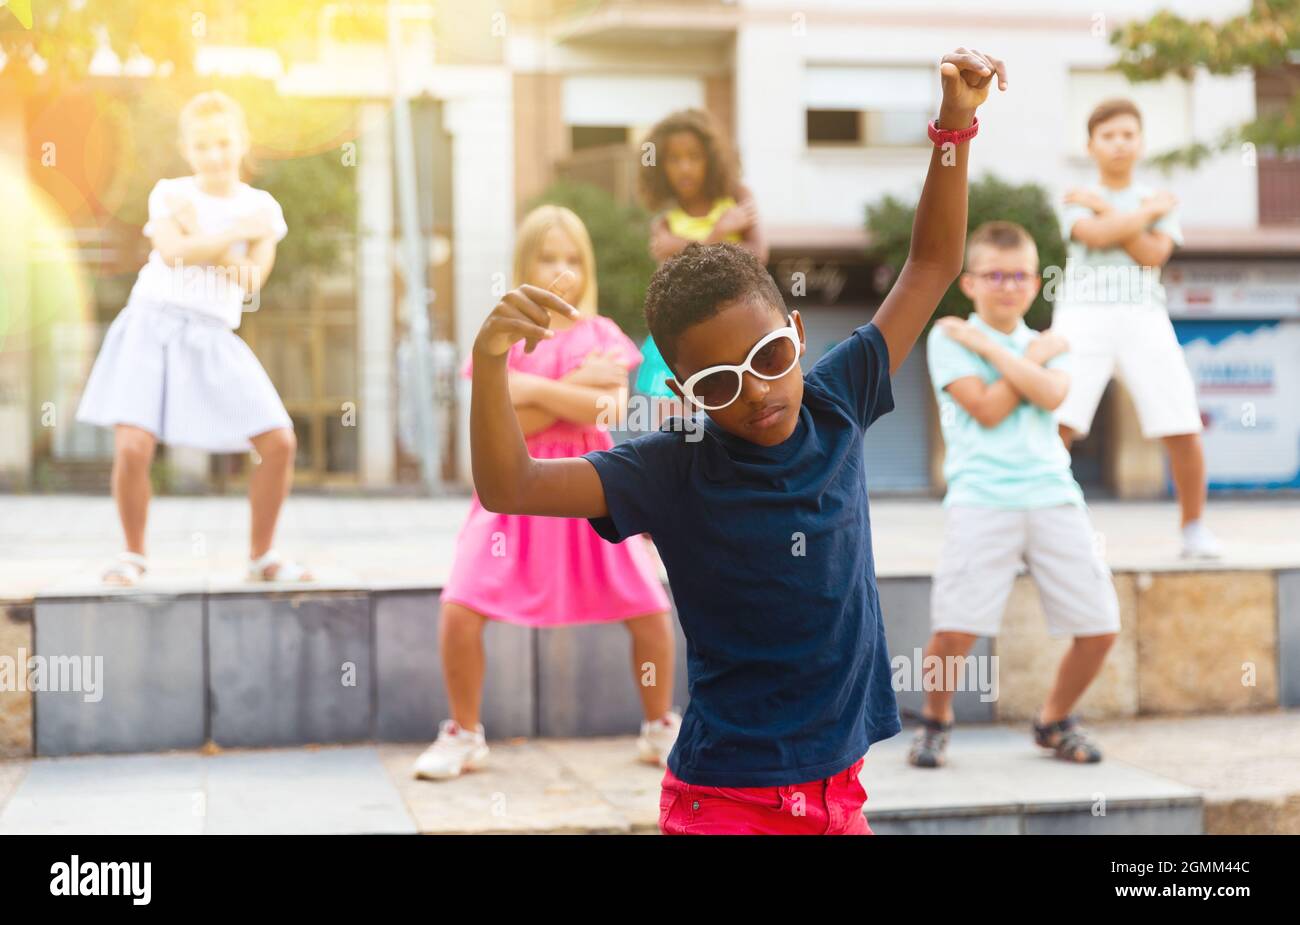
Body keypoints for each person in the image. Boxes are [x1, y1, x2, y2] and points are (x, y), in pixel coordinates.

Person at [465, 48, 1006, 834]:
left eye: (771, 356)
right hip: (726, 799)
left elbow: (931, 264)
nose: (756, 391)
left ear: (797, 333)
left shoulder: (839, 398)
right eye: (719, 382)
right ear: (684, 393)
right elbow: (509, 486)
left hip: (839, 791)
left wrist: (954, 128)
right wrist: (490, 362)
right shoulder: (672, 467)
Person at [413, 205, 679, 781]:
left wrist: (528, 390)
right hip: (511, 489)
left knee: (650, 608)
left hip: (592, 485)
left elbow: (607, 409)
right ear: (523, 265)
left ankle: (660, 726)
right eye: (547, 258)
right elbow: (507, 425)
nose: (563, 270)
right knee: (460, 607)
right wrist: (569, 389)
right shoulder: (505, 339)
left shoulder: (602, 334)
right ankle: (464, 733)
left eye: (573, 259)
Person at [75, 90, 311, 586]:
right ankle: (133, 556)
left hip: (212, 333)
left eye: (223, 143)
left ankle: (262, 556)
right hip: (150, 323)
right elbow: (172, 253)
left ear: (241, 142)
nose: (214, 155)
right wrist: (230, 235)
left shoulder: (262, 208)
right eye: (202, 145)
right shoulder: (170, 194)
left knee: (279, 441)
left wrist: (198, 234)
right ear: (187, 149)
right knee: (133, 446)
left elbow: (250, 281)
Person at [909, 221, 1119, 770]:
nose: (1008, 286)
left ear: (1035, 282)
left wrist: (992, 349)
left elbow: (1051, 396)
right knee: (955, 627)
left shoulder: (1046, 344)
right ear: (970, 283)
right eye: (995, 275)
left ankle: (1054, 721)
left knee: (1100, 626)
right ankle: (935, 720)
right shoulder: (949, 338)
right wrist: (1024, 356)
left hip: (1054, 494)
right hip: (981, 497)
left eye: (1020, 275)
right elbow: (986, 409)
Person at [1053, 97, 1221, 558]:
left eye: (1128, 134)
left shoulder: (1137, 198)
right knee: (1056, 422)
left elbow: (1150, 255)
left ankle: (1193, 529)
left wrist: (1104, 209)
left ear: (1141, 142)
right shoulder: (1078, 197)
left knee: (1181, 421)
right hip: (1081, 313)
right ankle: (1046, 530)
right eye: (1108, 136)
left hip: (1144, 316)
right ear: (1090, 145)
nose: (1119, 143)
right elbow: (1095, 236)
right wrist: (1145, 214)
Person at [635, 108, 769, 410]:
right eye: (674, 159)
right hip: (685, 335)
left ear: (712, 158)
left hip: (740, 325)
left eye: (694, 157)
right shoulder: (664, 223)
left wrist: (681, 246)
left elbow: (759, 253)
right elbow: (675, 284)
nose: (684, 167)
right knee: (673, 423)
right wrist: (718, 233)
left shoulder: (737, 196)